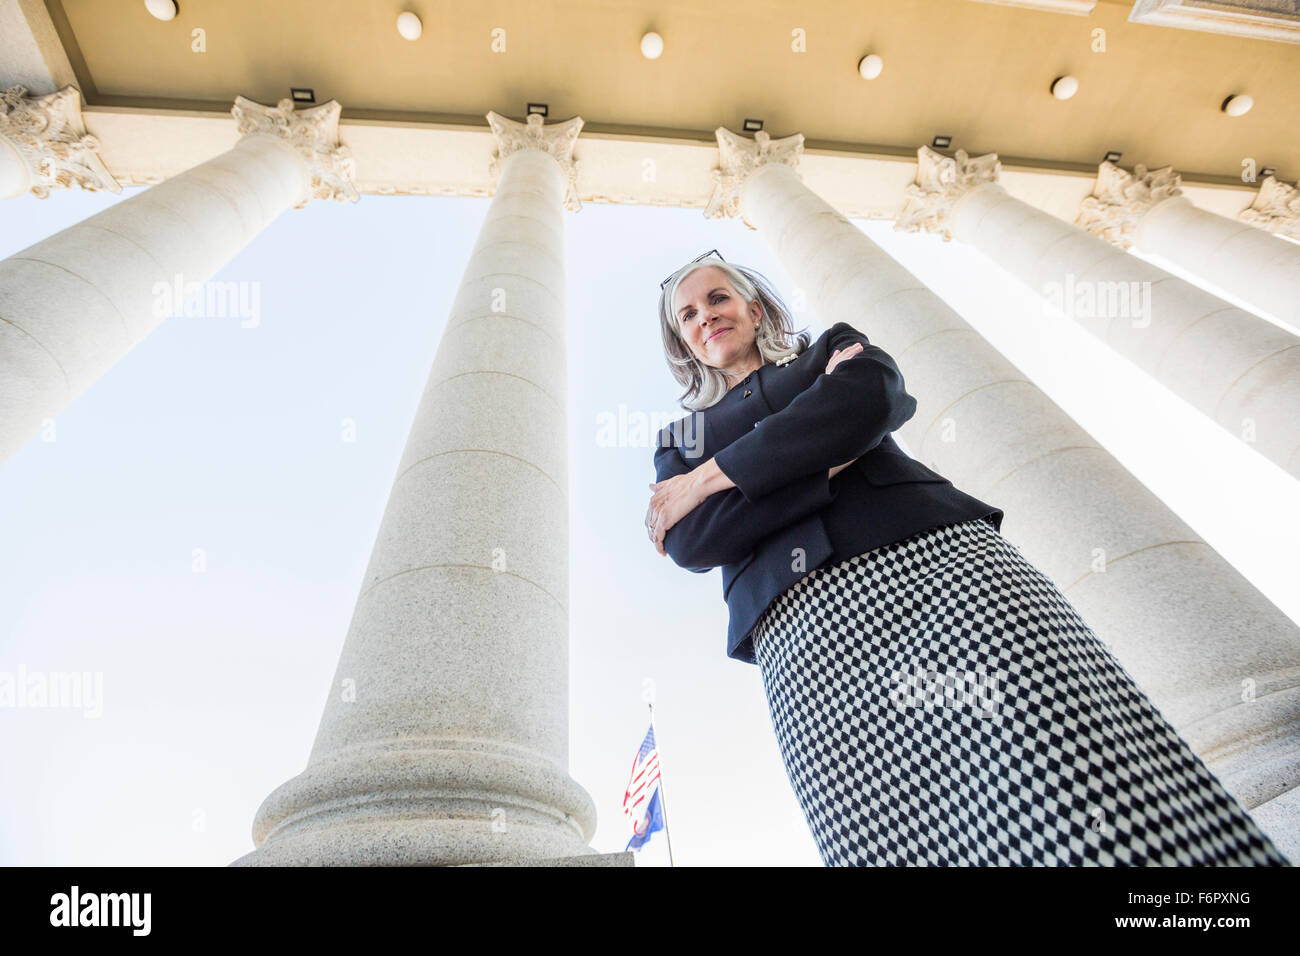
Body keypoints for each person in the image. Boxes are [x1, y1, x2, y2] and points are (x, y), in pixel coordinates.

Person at [644, 250, 1291, 866]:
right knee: (889, 830)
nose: (707, 316)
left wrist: (710, 478)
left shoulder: (827, 351)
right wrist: (827, 458)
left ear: (755, 307)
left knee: (1073, 765)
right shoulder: (679, 440)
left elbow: (867, 402)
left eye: (718, 297)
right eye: (689, 315)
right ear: (684, 343)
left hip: (943, 571)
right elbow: (695, 542)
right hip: (803, 635)